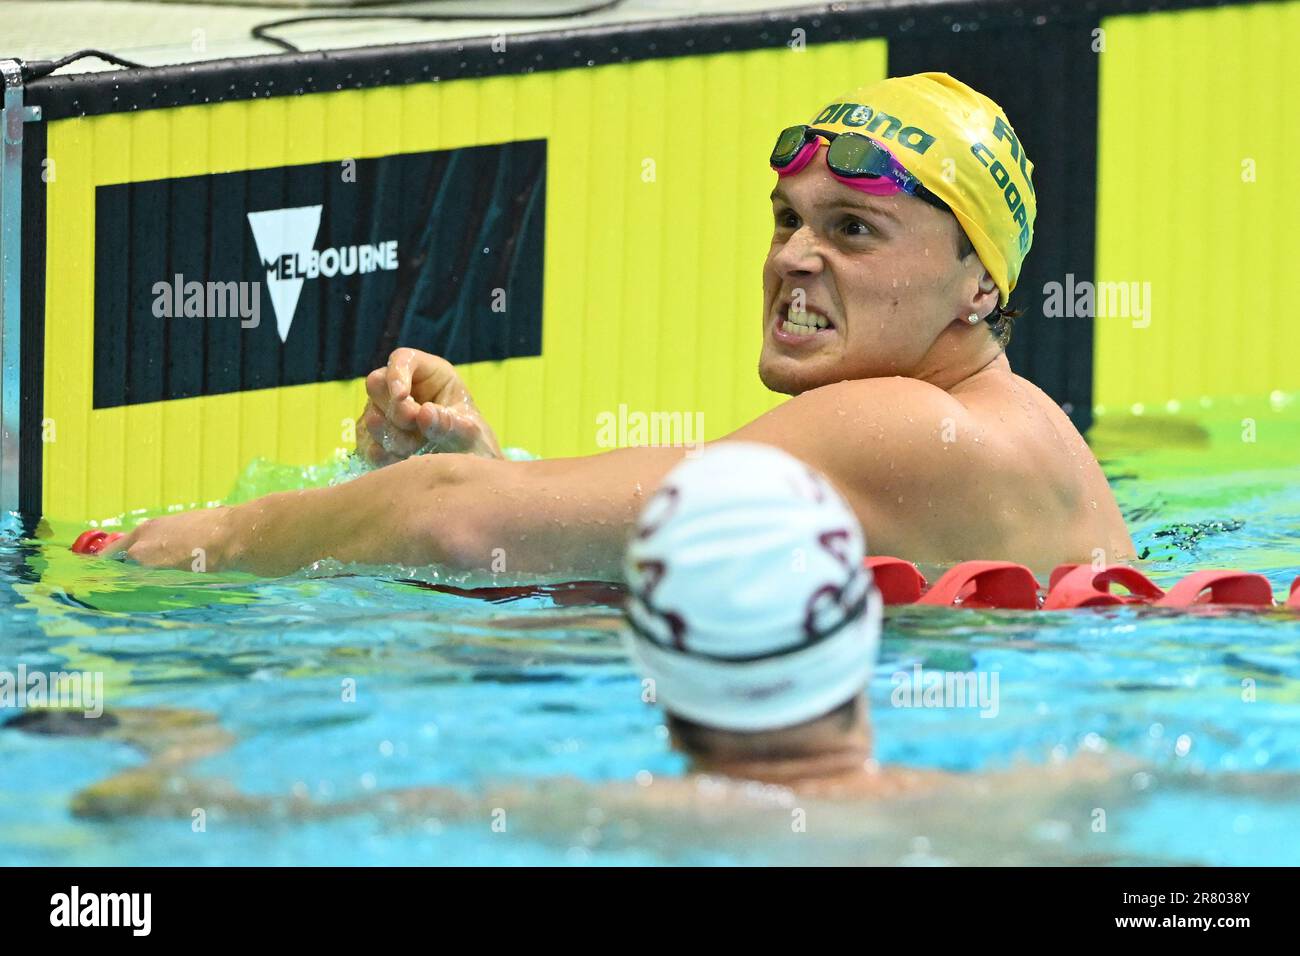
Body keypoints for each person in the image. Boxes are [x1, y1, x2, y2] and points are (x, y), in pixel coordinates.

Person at [97, 72, 1134, 580]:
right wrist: (497, 475)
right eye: (787, 220)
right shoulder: (1023, 429)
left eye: (853, 228)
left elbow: (452, 521)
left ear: (979, 286)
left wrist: (166, 547)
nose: (794, 259)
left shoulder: (903, 425)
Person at [57, 448, 1146, 866]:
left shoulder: (558, 814)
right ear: (864, 629)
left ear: (653, 678)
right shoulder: (1059, 791)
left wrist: (175, 735)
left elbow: (147, 816)